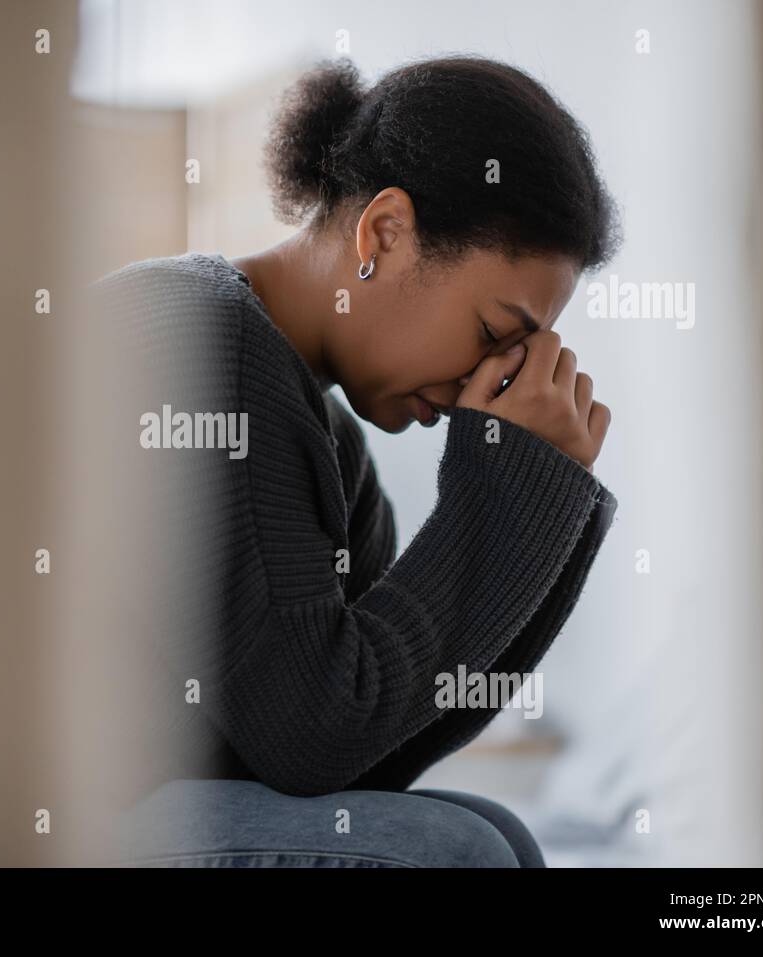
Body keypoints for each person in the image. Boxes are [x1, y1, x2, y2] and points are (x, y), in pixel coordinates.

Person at [91, 55, 621, 867]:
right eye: (491, 334)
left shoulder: (333, 441)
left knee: (500, 833)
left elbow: (366, 758)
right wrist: (506, 489)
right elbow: (312, 736)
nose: (488, 381)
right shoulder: (209, 342)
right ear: (385, 233)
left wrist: (547, 497)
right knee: (462, 851)